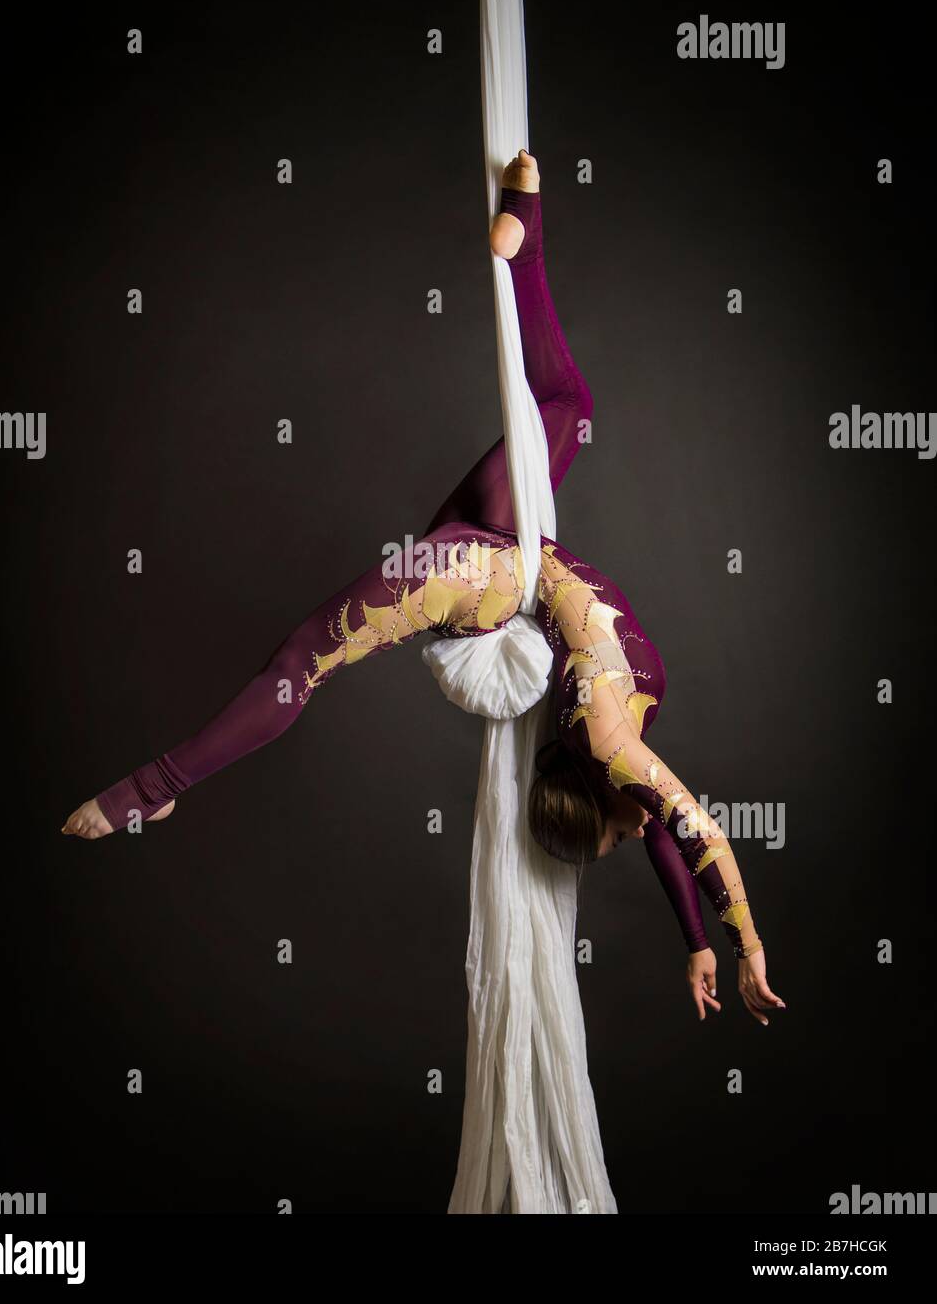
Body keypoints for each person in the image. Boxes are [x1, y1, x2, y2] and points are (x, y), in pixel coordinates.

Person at [63, 150, 785, 1028]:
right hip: (510, 549)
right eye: (619, 837)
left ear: (600, 796)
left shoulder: (607, 737)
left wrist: (734, 944)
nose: (632, 834)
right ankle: (522, 237)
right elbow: (669, 827)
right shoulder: (618, 748)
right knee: (565, 401)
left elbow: (686, 832)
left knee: (302, 663)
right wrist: (707, 945)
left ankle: (149, 788)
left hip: (476, 578)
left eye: (613, 833)